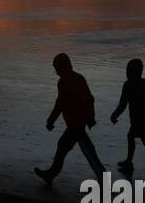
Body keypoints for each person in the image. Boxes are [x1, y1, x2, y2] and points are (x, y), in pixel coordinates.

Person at [34, 53, 106, 185]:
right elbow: (89, 99)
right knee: (65, 146)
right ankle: (50, 174)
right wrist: (91, 117)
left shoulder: (64, 82)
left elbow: (60, 104)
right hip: (78, 122)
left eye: (56, 68)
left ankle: (103, 179)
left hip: (76, 124)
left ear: (62, 67)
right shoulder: (79, 78)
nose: (56, 71)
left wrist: (50, 121)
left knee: (88, 152)